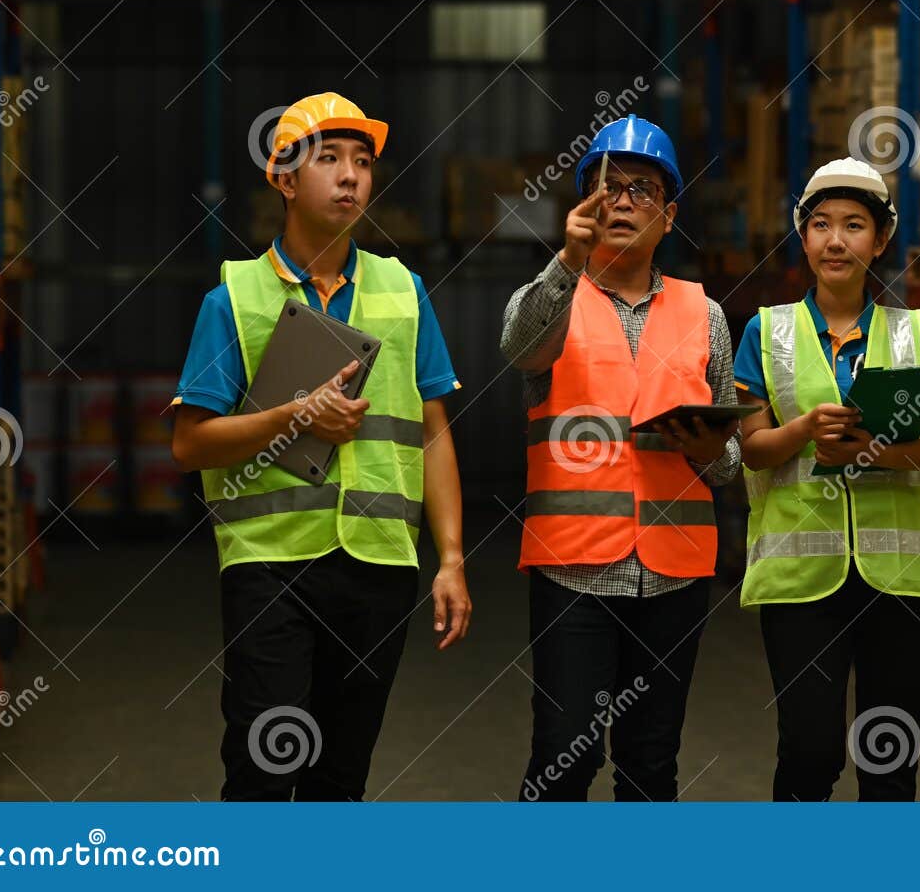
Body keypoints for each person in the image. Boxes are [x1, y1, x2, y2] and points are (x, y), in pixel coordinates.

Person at [171, 91, 471, 801]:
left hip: (377, 566)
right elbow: (189, 444)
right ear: (282, 178)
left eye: (362, 162)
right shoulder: (235, 298)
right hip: (270, 566)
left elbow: (433, 431)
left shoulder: (404, 291)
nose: (350, 177)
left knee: (341, 778)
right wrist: (295, 416)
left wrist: (452, 557)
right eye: (328, 159)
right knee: (264, 770)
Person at [500, 113, 742, 801]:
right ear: (585, 204)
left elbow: (730, 464)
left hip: (673, 576)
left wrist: (710, 447)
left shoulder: (707, 315)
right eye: (610, 187)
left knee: (651, 765)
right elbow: (519, 350)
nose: (625, 201)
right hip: (574, 571)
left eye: (643, 189)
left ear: (669, 215)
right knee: (562, 760)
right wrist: (565, 263)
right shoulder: (549, 299)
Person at [734, 156, 920, 801]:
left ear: (881, 240)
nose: (836, 241)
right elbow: (751, 449)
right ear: (803, 237)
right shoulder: (767, 330)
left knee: (890, 765)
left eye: (854, 226)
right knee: (809, 754)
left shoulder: (914, 334)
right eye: (820, 225)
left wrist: (878, 452)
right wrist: (805, 429)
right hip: (800, 582)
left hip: (902, 580)